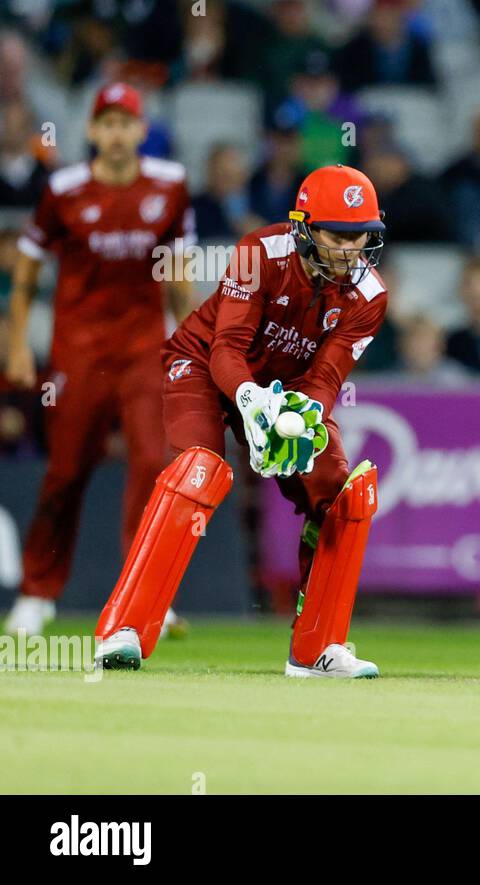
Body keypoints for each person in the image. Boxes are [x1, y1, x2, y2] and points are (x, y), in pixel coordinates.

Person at [93, 164, 389, 679]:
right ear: (303, 227)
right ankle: (125, 630)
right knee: (198, 470)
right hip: (205, 366)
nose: (349, 250)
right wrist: (252, 401)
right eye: (335, 236)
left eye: (359, 236)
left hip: (289, 392)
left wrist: (303, 414)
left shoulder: (370, 296)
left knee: (344, 493)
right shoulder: (259, 253)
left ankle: (318, 648)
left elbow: (325, 377)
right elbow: (227, 348)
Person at [3, 84, 195, 637]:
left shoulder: (171, 186)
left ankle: (145, 597)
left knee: (153, 466)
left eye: (125, 123)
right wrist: (19, 344)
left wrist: (192, 346)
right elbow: (27, 270)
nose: (115, 134)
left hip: (143, 352)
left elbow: (179, 275)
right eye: (105, 124)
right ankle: (37, 594)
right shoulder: (62, 189)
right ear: (91, 132)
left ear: (140, 130)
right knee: (65, 473)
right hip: (78, 354)